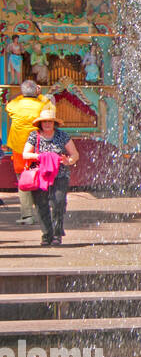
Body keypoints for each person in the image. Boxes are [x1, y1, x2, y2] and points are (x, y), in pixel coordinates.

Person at [21, 105, 77, 247]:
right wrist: (43, 156)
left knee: (58, 202)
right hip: (40, 175)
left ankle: (57, 233)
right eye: (44, 121)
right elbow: (25, 154)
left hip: (60, 174)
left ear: (54, 123)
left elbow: (75, 154)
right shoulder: (35, 135)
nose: (47, 124)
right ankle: (47, 234)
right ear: (40, 123)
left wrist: (68, 161)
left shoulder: (62, 135)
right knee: (41, 205)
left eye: (50, 121)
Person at [5, 80, 51, 225]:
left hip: (19, 149)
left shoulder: (16, 105)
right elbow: (50, 108)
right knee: (38, 178)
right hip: (36, 149)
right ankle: (42, 214)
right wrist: (40, 95)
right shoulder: (42, 104)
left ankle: (27, 216)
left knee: (23, 180)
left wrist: (22, 94)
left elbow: (9, 103)